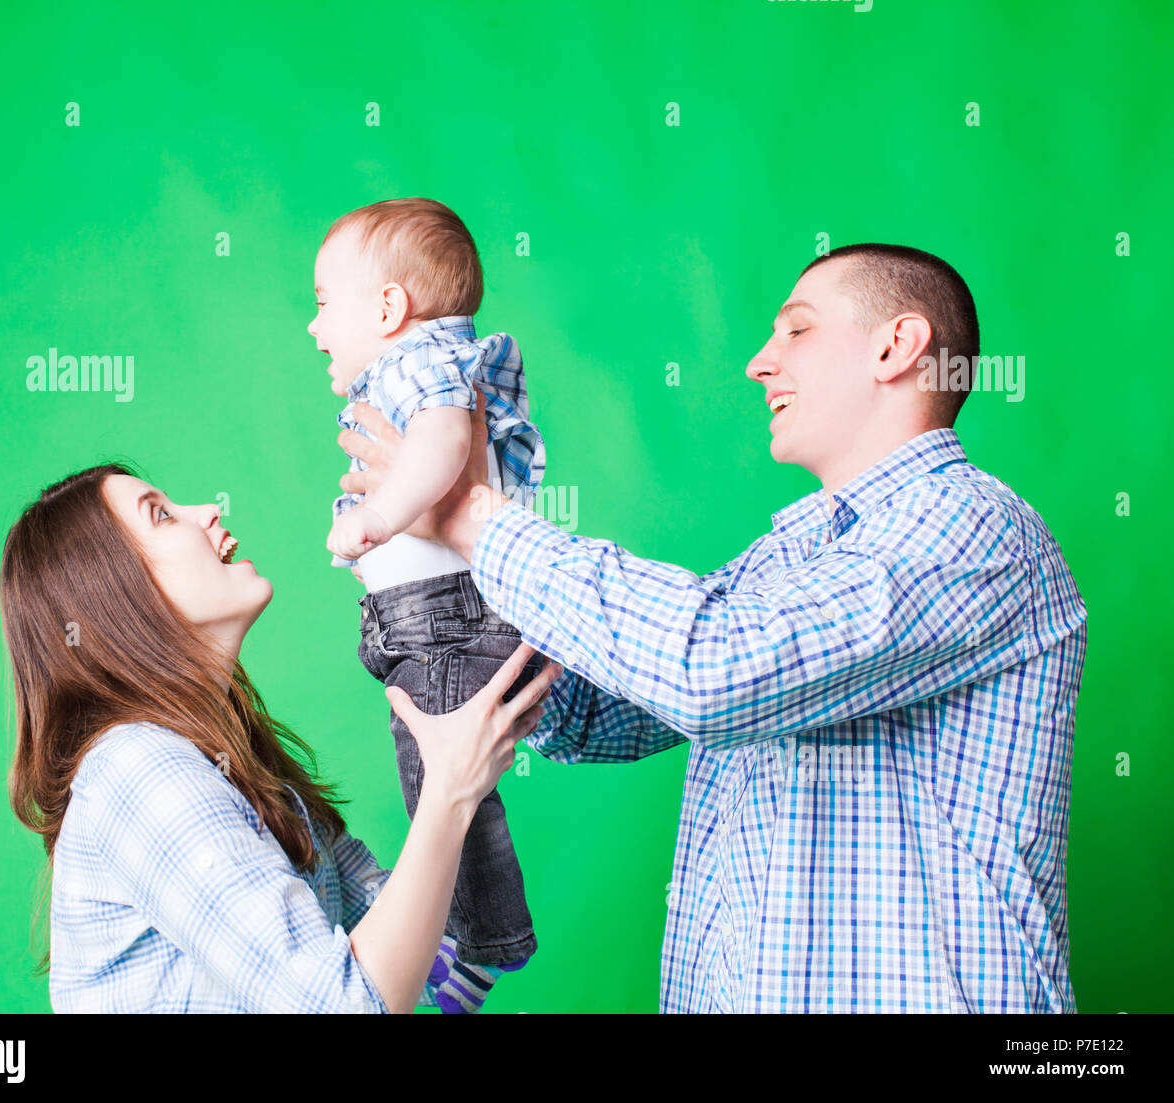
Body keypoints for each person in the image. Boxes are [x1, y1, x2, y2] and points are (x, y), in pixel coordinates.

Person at [337, 243, 1090, 1013]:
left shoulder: (971, 525)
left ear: (895, 347)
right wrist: (434, 587)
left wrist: (471, 515)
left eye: (796, 331)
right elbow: (596, 713)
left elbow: (711, 675)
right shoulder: (783, 560)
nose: (758, 364)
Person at [0, 463, 560, 1013]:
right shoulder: (137, 769)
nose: (206, 512)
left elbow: (416, 950)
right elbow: (346, 1006)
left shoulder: (229, 759)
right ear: (111, 603)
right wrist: (449, 790)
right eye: (162, 515)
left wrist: (430, 581)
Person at [312, 197, 547, 997]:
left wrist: (377, 516)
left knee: (446, 788)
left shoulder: (423, 366)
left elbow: (447, 443)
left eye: (321, 304)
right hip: (423, 622)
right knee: (436, 781)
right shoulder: (408, 367)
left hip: (446, 618)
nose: (313, 329)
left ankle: (481, 945)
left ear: (388, 308)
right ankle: (458, 933)